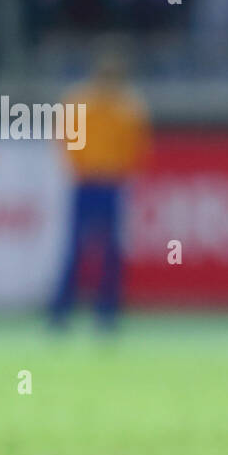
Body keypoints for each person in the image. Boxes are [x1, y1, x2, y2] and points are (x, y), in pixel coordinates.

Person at [48, 47, 151, 330]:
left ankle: (106, 312)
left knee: (111, 251)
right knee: (76, 249)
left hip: (112, 183)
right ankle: (61, 311)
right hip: (86, 182)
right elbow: (66, 139)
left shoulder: (128, 106)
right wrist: (83, 167)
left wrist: (118, 169)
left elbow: (135, 145)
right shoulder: (81, 102)